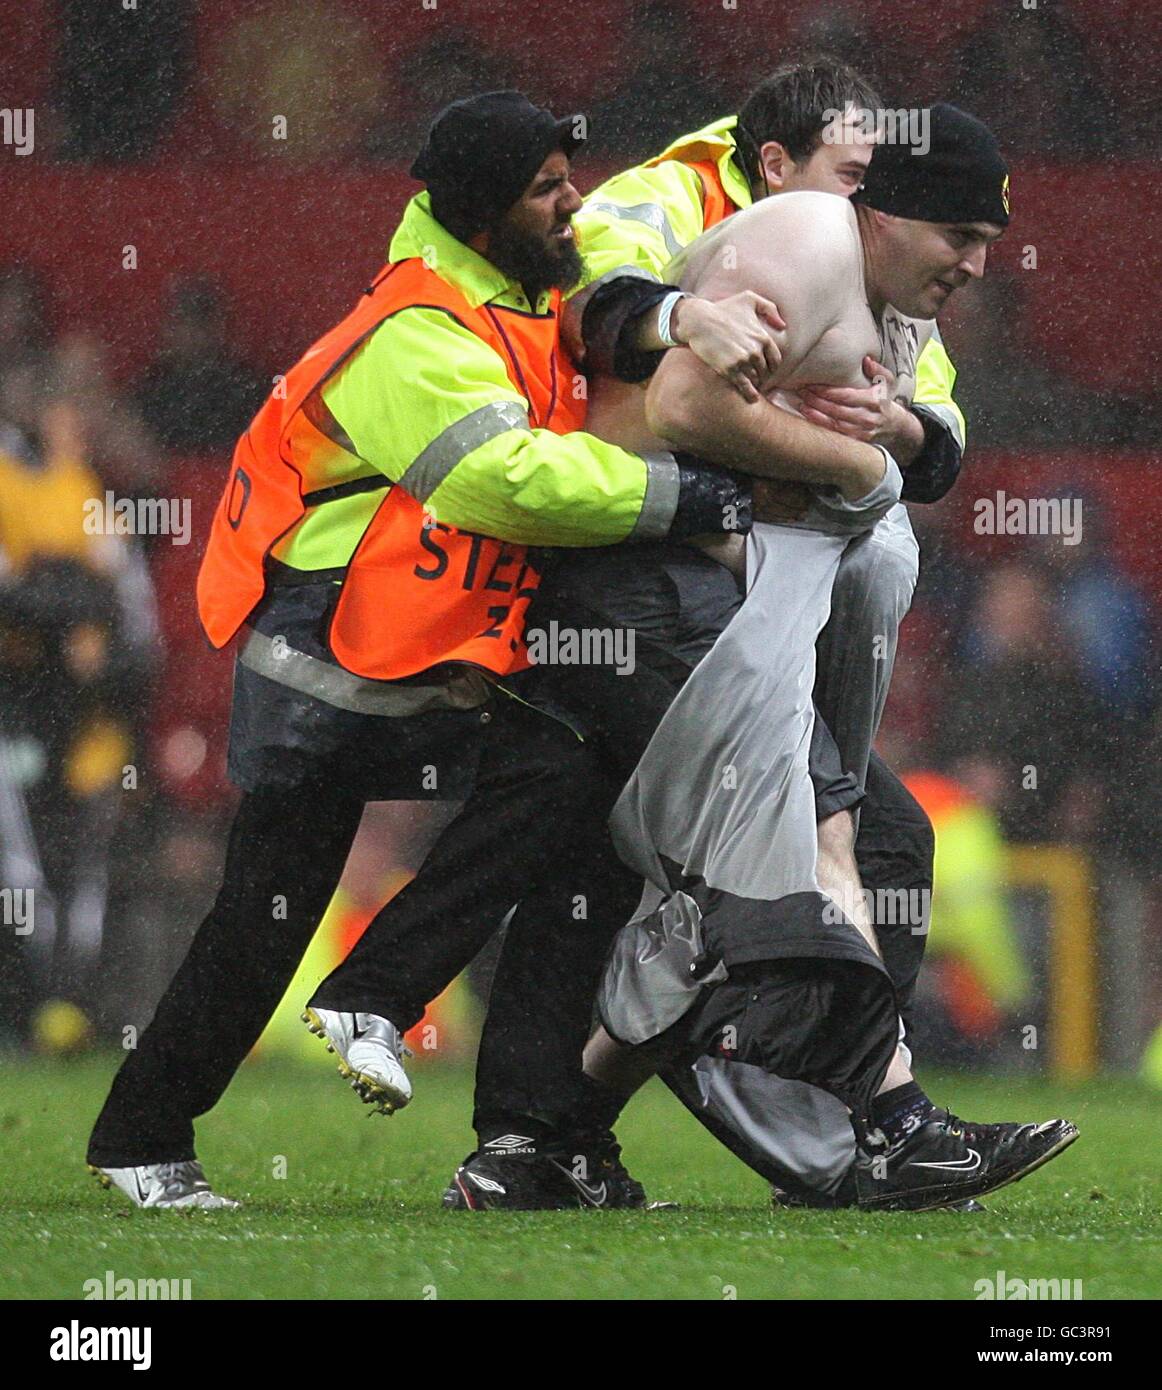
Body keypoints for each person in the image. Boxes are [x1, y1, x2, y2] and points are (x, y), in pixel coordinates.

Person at [84, 92, 766, 1210]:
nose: (573, 203)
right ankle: (148, 1130)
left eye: (568, 177)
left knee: (571, 777)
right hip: (334, 668)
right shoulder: (414, 331)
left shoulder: (509, 297)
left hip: (427, 657)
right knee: (267, 917)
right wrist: (689, 491)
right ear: (483, 214)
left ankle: (401, 1026)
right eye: (547, 187)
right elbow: (501, 481)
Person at [573, 104, 1078, 1212]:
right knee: (813, 835)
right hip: (649, 588)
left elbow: (921, 440)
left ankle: (561, 1130)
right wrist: (853, 467)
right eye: (961, 237)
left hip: (735, 600)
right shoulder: (802, 241)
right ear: (881, 213)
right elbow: (681, 397)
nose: (980, 265)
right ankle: (894, 1127)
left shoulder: (892, 293)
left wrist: (888, 438)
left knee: (832, 843)